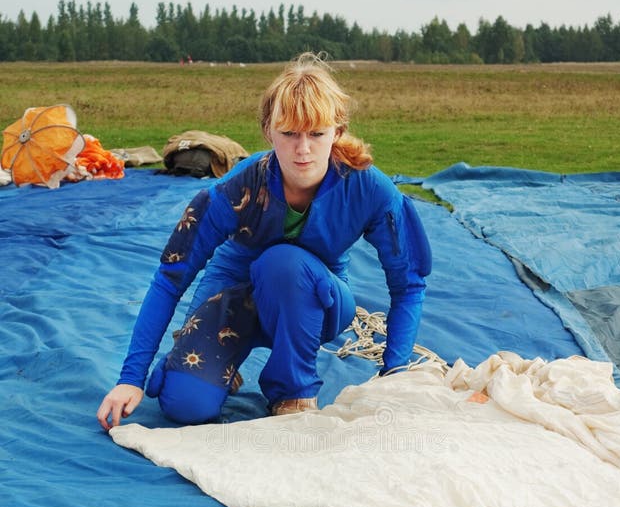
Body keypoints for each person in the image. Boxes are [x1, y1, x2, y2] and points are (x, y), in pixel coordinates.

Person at [97, 52, 431, 431]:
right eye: (289, 133)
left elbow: (409, 283)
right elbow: (171, 276)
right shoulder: (237, 186)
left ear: (337, 132)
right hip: (234, 292)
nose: (302, 149)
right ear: (268, 131)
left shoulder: (370, 189)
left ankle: (292, 391)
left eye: (316, 133)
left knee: (283, 263)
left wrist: (395, 371)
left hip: (316, 301)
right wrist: (131, 377)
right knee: (185, 405)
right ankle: (205, 362)